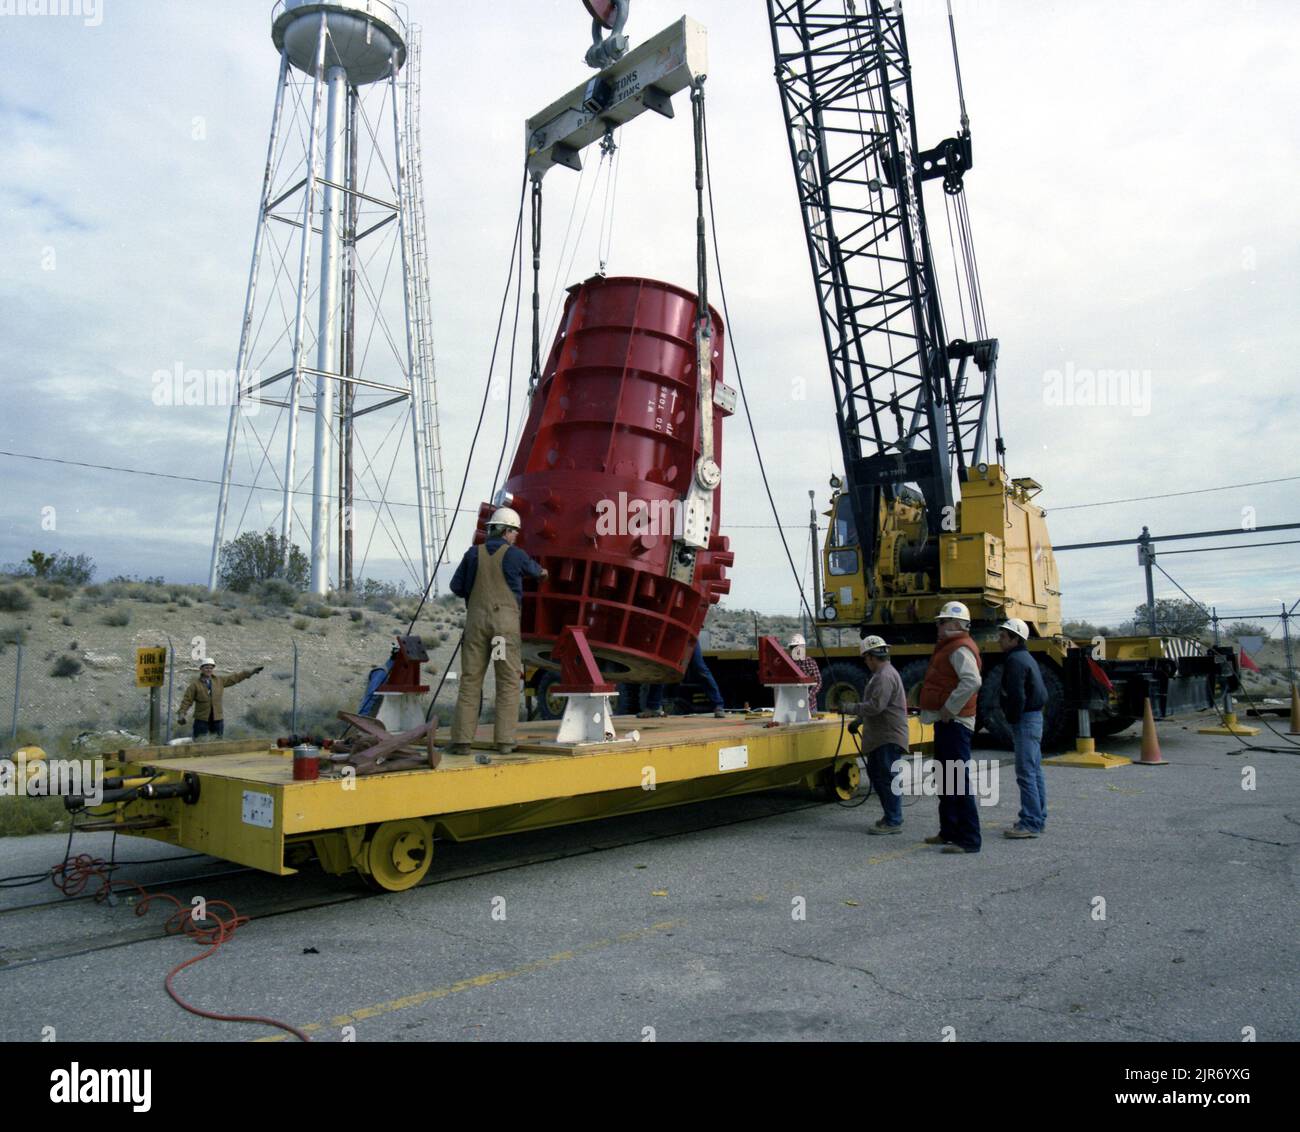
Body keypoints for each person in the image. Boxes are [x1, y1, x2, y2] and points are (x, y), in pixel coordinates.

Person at [447, 506, 547, 760]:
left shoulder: (472, 554)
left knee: (470, 681)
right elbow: (538, 573)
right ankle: (504, 741)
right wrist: (543, 573)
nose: (515, 537)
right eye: (514, 532)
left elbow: (456, 586)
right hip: (502, 631)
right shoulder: (516, 556)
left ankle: (461, 741)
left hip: (476, 627)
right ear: (507, 531)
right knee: (507, 680)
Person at [919, 601, 983, 854]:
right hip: (948, 723)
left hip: (954, 724)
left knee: (956, 781)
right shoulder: (952, 647)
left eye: (942, 621)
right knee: (946, 780)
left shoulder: (959, 649)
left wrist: (950, 708)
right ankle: (949, 832)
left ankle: (969, 840)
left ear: (957, 624)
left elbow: (972, 681)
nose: (938, 625)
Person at [846, 635, 910, 834]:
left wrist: (850, 708)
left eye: (866, 658)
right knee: (879, 775)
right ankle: (891, 816)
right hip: (882, 736)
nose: (866, 662)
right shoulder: (883, 674)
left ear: (871, 657)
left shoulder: (884, 676)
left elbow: (876, 706)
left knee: (886, 778)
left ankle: (893, 820)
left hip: (887, 737)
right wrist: (860, 721)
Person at [997, 617, 1048, 839]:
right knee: (1034, 771)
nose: (999, 640)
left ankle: (1030, 822)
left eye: (1003, 636)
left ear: (1014, 639)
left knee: (1026, 773)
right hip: (1034, 718)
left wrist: (1012, 718)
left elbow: (1017, 695)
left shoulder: (1015, 661)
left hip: (1025, 720)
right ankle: (1037, 817)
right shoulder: (1026, 657)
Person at [177, 657, 263, 739]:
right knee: (199, 742)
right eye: (206, 668)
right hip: (201, 720)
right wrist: (182, 713)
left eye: (211, 668)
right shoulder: (195, 685)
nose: (209, 670)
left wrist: (249, 672)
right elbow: (187, 700)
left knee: (217, 742)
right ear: (201, 669)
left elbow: (235, 678)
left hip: (217, 719)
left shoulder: (219, 680)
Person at [638, 640, 726, 719]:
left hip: (688, 636)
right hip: (668, 635)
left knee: (699, 667)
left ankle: (718, 705)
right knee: (661, 666)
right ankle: (653, 707)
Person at [786, 633, 822, 702]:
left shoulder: (810, 662)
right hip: (792, 702)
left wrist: (809, 696)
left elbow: (818, 681)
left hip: (810, 705)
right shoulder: (787, 663)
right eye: (793, 648)